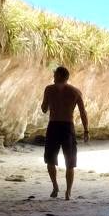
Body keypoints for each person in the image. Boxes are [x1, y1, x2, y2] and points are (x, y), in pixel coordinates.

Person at [40, 65, 89, 200]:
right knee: (70, 161)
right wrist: (86, 130)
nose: (53, 77)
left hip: (53, 126)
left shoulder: (49, 89)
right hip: (68, 127)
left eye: (55, 75)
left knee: (50, 159)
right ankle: (68, 192)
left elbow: (44, 109)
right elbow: (83, 113)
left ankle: (55, 186)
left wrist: (49, 103)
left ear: (60, 76)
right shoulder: (75, 92)